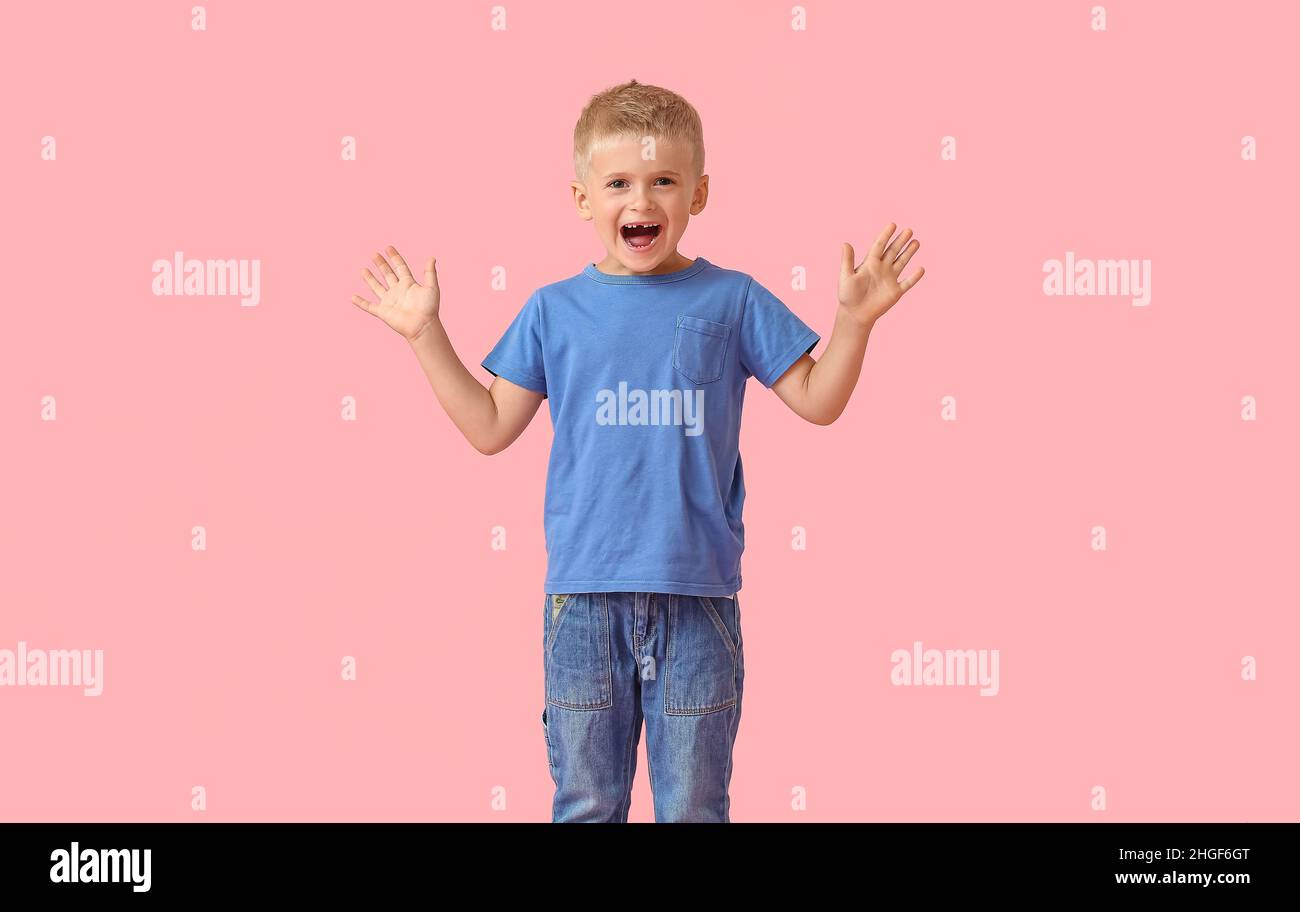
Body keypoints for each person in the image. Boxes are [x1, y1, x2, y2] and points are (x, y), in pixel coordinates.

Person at [350, 79, 925, 822]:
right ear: (583, 198)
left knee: (694, 807)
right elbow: (490, 428)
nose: (641, 201)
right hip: (583, 604)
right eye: (618, 182)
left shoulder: (735, 298)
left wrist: (854, 322)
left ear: (700, 193)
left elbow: (818, 401)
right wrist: (426, 335)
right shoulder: (553, 310)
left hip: (699, 603)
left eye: (663, 181)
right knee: (588, 803)